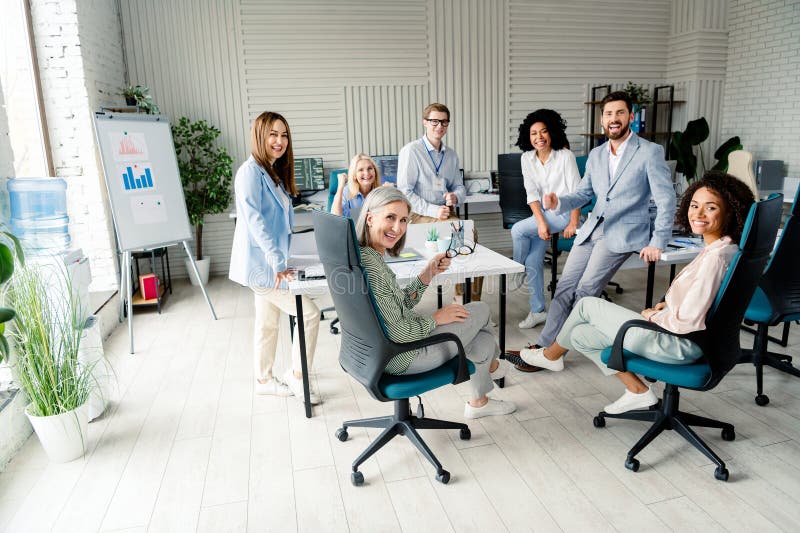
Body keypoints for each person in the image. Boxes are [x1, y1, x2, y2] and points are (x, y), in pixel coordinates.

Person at [521, 172, 754, 413]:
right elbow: (706, 301)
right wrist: (668, 306)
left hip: (678, 343)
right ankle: (638, 392)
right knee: (580, 335)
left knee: (586, 305)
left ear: (730, 213)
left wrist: (653, 315)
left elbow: (688, 319)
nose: (698, 213)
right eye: (694, 205)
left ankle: (550, 356)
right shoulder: (726, 249)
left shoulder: (714, 259)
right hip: (693, 340)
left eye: (711, 207)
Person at [517, 91, 676, 370]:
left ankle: (555, 354)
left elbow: (666, 199)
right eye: (608, 114)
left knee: (584, 292)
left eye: (620, 113)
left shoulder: (649, 152)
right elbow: (584, 193)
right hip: (591, 228)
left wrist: (659, 240)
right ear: (602, 119)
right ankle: (544, 345)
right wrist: (559, 202)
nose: (613, 119)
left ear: (630, 116)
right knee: (565, 288)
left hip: (622, 233)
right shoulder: (597, 154)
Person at [355, 186, 516, 419]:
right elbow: (399, 333)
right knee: (480, 308)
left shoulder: (367, 256)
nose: (398, 228)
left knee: (481, 339)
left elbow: (400, 306)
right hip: (405, 355)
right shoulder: (372, 268)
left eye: (403, 220)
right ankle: (493, 365)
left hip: (384, 352)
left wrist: (426, 275)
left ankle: (479, 402)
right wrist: (435, 318)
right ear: (370, 218)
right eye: (390, 217)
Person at [229, 111, 322, 404]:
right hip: (263, 266)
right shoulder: (249, 172)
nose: (279, 141)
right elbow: (255, 221)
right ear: (260, 135)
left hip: (271, 262)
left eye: (284, 135)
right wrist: (278, 262)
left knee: (267, 323)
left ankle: (263, 379)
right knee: (309, 314)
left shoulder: (272, 171)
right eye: (273, 134)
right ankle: (297, 377)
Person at [397, 102, 482, 302]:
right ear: (424, 123)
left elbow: (460, 187)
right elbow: (404, 192)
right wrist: (434, 210)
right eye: (434, 121)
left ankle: (469, 300)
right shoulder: (412, 151)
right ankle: (463, 297)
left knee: (472, 236)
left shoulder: (451, 155)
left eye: (444, 122)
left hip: (444, 214)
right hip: (418, 215)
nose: (439, 126)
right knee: (461, 235)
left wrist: (455, 197)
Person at [510, 109, 581, 330]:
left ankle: (516, 268)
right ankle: (538, 310)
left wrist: (573, 222)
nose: (539, 137)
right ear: (527, 137)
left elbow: (577, 193)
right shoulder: (526, 158)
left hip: (563, 213)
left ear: (552, 133)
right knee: (534, 261)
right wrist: (540, 222)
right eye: (533, 133)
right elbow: (531, 194)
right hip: (542, 214)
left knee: (518, 231)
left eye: (543, 132)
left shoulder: (565, 156)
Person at [331, 153, 382, 218]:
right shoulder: (346, 192)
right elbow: (335, 218)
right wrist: (340, 187)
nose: (366, 173)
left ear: (375, 172)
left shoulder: (381, 192)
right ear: (354, 175)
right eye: (361, 170)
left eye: (369, 168)